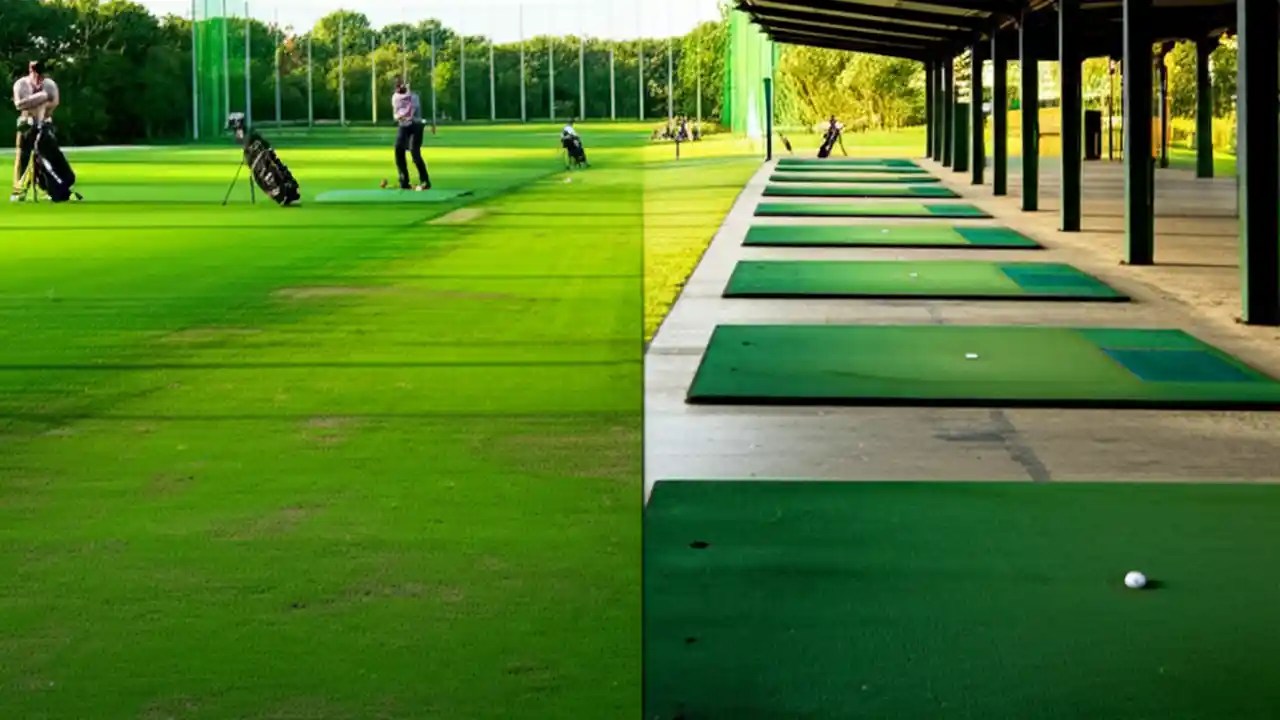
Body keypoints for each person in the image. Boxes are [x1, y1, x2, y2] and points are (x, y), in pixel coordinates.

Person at [11, 60, 60, 201]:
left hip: (45, 122)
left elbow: (55, 102)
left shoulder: (49, 85)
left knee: (46, 157)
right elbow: (19, 104)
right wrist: (40, 99)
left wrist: (38, 106)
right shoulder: (21, 84)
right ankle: (19, 190)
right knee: (23, 156)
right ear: (30, 70)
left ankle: (46, 188)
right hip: (26, 123)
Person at [390, 78, 430, 191]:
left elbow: (411, 112)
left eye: (402, 86)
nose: (400, 88)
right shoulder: (395, 97)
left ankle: (425, 181)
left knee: (414, 152)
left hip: (415, 125)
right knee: (398, 149)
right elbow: (396, 114)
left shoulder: (413, 97)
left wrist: (405, 117)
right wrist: (400, 117)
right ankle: (404, 181)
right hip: (403, 126)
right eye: (398, 87)